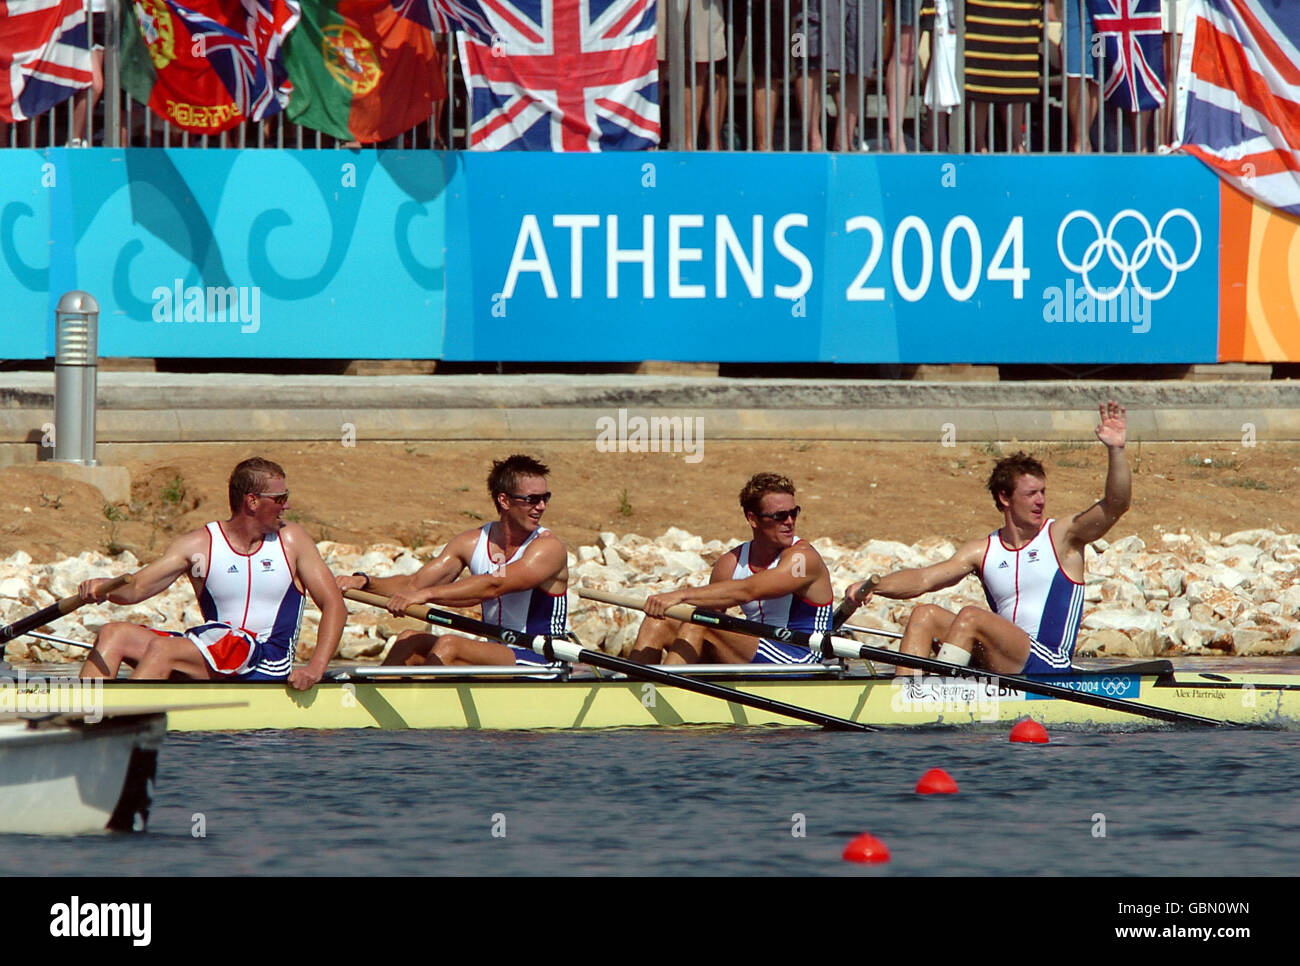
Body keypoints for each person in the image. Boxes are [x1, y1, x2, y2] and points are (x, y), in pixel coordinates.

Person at [844, 401, 1130, 675]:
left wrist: (1116, 450)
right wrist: (875, 586)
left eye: (1043, 492)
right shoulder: (982, 550)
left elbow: (1116, 505)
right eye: (1031, 494)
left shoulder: (1063, 537)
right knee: (924, 615)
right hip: (1003, 660)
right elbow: (923, 580)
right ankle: (904, 694)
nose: (1040, 501)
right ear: (1005, 497)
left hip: (1048, 663)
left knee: (971, 616)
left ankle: (942, 691)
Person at [78, 457, 346, 689]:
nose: (286, 506)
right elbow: (136, 588)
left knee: (164, 649)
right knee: (114, 633)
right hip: (214, 646)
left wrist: (315, 668)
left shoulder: (293, 540)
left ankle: (123, 728)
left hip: (267, 660)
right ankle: (80, 718)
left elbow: (334, 604)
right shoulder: (198, 544)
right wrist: (105, 587)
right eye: (280, 499)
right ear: (252, 501)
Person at [337, 454, 568, 666]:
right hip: (497, 652)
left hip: (543, 655)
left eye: (545, 498)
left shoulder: (548, 548)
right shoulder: (470, 542)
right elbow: (414, 584)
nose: (541, 507)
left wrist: (427, 595)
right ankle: (377, 707)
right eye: (532, 499)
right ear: (505, 501)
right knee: (409, 640)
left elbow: (494, 585)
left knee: (450, 645)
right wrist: (366, 582)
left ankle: (422, 707)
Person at [630, 472, 833, 664]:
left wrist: (679, 596)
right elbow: (711, 611)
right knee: (658, 621)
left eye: (793, 513)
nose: (789, 522)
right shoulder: (730, 563)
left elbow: (748, 591)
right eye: (779, 516)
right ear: (753, 519)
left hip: (800, 655)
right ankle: (634, 692)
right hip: (757, 650)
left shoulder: (803, 559)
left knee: (701, 621)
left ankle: (665, 691)